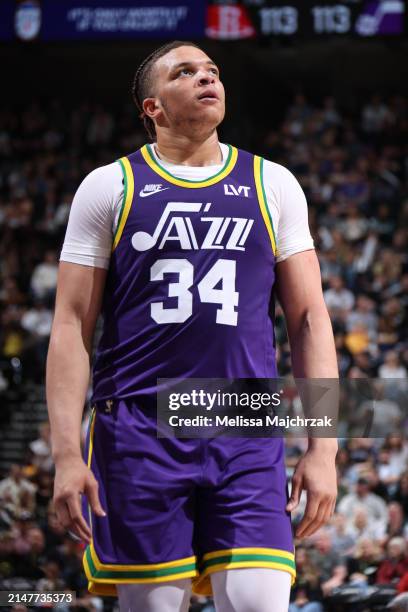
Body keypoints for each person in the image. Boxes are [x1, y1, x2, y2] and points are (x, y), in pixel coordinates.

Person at [46, 41, 338, 612]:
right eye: (186, 73)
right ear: (153, 107)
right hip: (138, 422)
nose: (207, 78)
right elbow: (71, 326)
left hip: (242, 422)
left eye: (213, 71)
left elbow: (309, 320)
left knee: (260, 604)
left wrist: (322, 448)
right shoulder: (109, 186)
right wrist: (64, 455)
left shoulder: (271, 182)